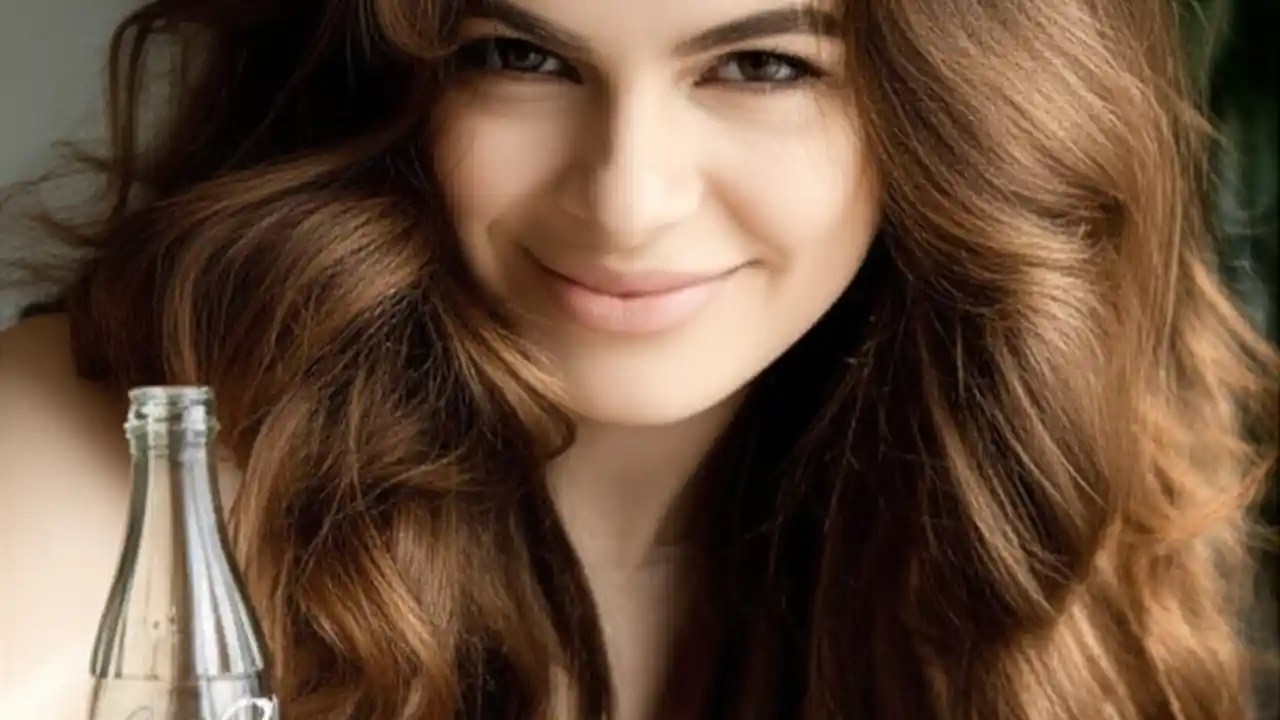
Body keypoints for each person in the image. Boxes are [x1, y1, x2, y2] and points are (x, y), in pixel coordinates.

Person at [1, 0, 1276, 718]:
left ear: (963, 116)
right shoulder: (123, 460)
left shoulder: (1036, 501)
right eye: (522, 57)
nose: (628, 200)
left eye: (761, 66)